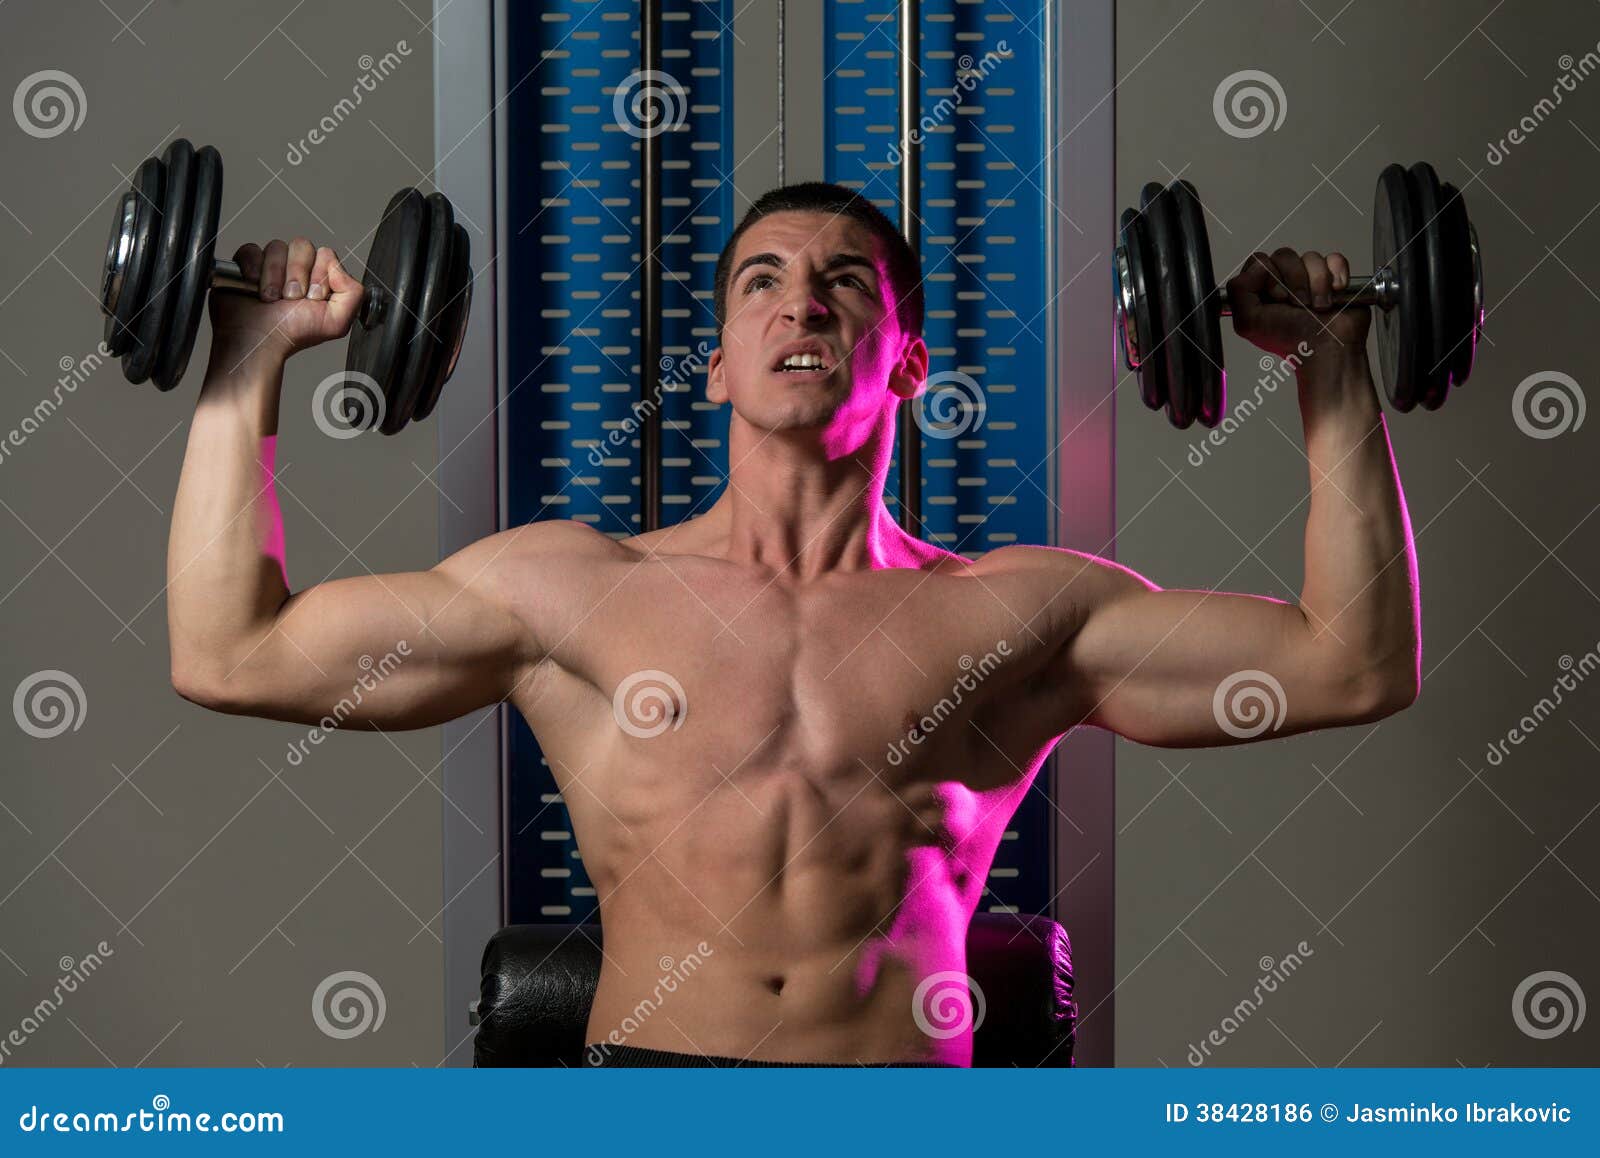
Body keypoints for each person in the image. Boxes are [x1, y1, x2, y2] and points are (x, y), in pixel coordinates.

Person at [167, 182, 1418, 1067]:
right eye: (760, 283)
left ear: (910, 363)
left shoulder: (1018, 610)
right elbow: (233, 652)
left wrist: (1331, 368)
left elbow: (1348, 663)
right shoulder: (568, 589)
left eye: (842, 285)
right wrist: (248, 358)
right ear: (714, 364)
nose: (800, 306)